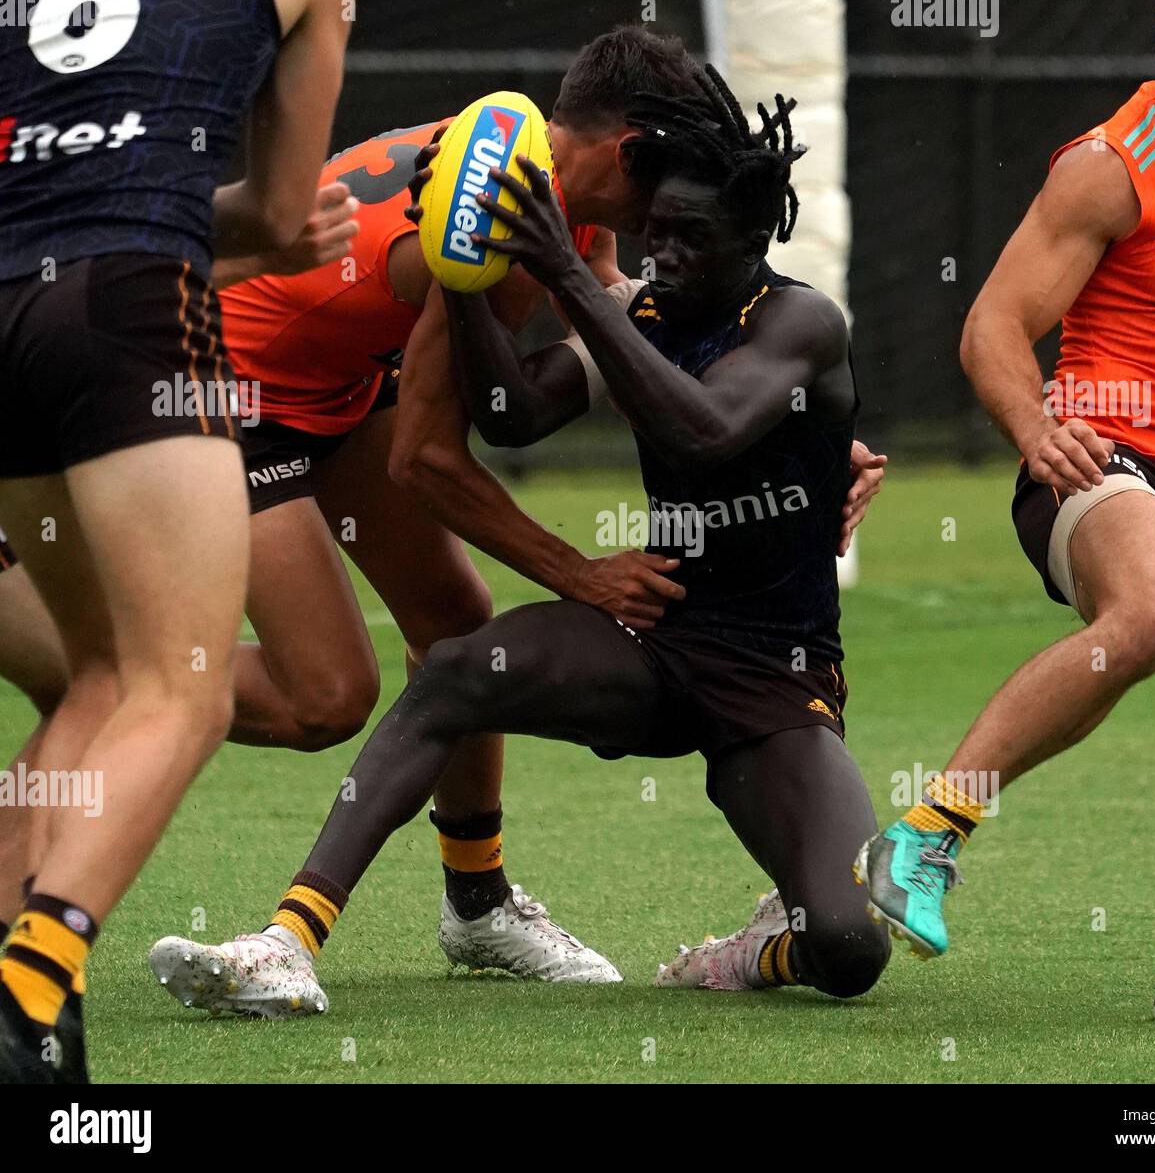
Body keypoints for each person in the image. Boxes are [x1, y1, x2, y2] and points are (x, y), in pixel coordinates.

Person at [147, 66, 892, 1017]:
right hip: (644, 637)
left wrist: (819, 447)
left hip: (772, 679)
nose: (659, 255)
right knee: (431, 669)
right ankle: (287, 939)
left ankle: (738, 947)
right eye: (654, 228)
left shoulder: (794, 317)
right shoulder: (594, 263)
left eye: (686, 237)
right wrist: (465, 281)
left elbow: (698, 423)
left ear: (753, 239)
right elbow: (506, 415)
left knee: (849, 946)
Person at [861, 0, 1155, 1025]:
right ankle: (924, 833)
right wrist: (1035, 430)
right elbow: (992, 327)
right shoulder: (1114, 164)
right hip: (1094, 459)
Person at [0, 0, 352, 1082]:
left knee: (95, 677)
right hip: (135, 309)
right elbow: (282, 219)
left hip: (7, 308)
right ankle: (26, 991)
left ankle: (29, 1012)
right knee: (182, 684)